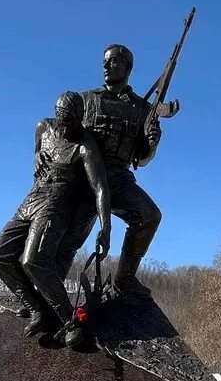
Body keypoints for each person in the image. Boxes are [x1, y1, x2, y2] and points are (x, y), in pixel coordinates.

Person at [0, 117, 112, 343]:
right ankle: (36, 306)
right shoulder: (44, 127)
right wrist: (36, 155)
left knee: (34, 261)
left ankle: (68, 320)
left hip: (57, 202)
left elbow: (100, 186)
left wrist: (106, 226)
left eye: (70, 122)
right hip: (32, 199)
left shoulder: (85, 145)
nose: (64, 128)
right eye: (61, 120)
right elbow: (38, 155)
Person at [53, 44, 163, 300]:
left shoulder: (143, 109)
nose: (105, 66)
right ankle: (47, 292)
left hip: (119, 178)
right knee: (70, 238)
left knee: (149, 216)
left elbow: (142, 159)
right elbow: (63, 137)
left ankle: (125, 278)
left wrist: (153, 143)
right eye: (104, 61)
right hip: (86, 177)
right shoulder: (85, 100)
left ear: (127, 67)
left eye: (112, 61)